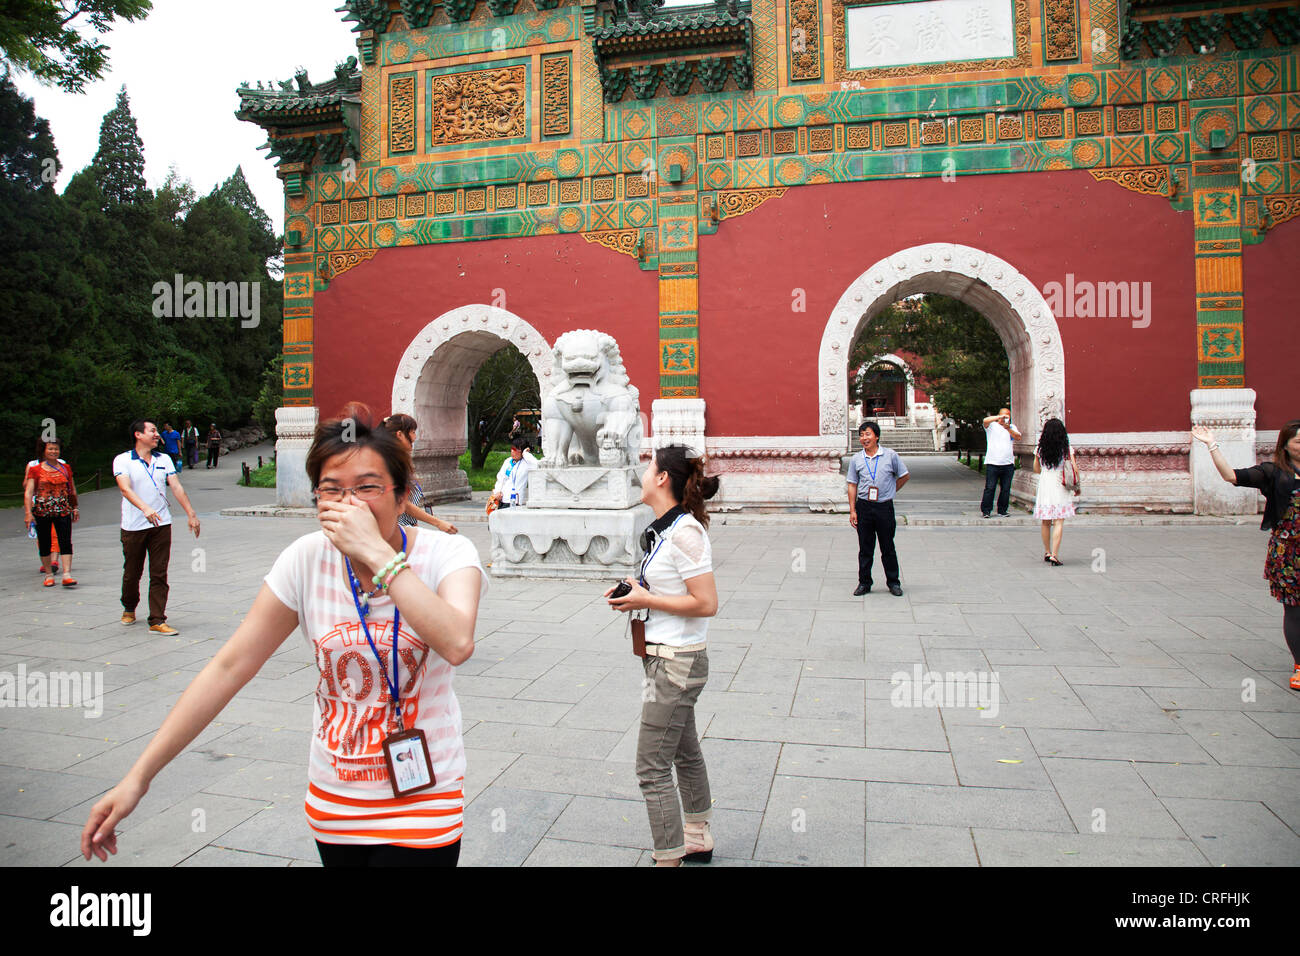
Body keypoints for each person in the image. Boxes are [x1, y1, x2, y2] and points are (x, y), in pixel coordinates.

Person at [80, 404, 487, 867]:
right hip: (336, 802)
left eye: (368, 488)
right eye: (331, 490)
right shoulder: (306, 559)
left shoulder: (448, 553)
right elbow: (230, 667)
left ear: (401, 498)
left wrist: (378, 555)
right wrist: (139, 776)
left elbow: (456, 642)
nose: (348, 504)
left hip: (424, 800)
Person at [606, 444, 719, 866]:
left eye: (648, 466)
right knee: (684, 750)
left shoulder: (686, 531)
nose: (642, 471)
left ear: (662, 478)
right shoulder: (667, 528)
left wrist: (644, 599)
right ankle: (696, 835)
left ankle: (668, 857)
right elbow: (669, 589)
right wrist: (634, 593)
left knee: (650, 766)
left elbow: (706, 602)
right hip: (665, 656)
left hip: (676, 662)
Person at [1193, 420, 1300, 691]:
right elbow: (1231, 476)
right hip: (1289, 553)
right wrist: (1212, 445)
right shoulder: (1274, 472)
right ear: (1286, 446)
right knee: (1295, 609)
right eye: (1299, 441)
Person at [114, 420, 202, 634]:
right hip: (134, 526)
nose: (157, 434)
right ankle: (129, 606)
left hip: (161, 524)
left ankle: (157, 619)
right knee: (132, 572)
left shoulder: (164, 460)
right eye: (152, 431)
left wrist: (191, 514)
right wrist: (145, 508)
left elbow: (177, 487)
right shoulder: (123, 460)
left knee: (159, 572)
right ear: (138, 434)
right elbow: (125, 489)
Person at [847, 421, 909, 596]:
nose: (864, 438)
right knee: (865, 548)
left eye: (867, 434)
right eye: (861, 435)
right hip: (864, 507)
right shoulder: (857, 459)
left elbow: (904, 476)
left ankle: (893, 582)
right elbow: (852, 484)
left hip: (884, 507)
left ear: (877, 436)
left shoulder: (890, 456)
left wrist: (891, 490)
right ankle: (864, 583)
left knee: (887, 547)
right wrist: (853, 510)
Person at [382, 413, 458, 534]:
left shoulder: (399, 461)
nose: (415, 437)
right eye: (412, 432)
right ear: (399, 435)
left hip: (404, 529)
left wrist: (414, 524)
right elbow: (403, 503)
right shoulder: (391, 464)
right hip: (394, 531)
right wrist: (438, 522)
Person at [24, 438, 78, 587]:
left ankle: (67, 574)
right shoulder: (35, 470)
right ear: (43, 451)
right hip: (42, 511)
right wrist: (28, 513)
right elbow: (28, 492)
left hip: (63, 510)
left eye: (56, 449)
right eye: (50, 449)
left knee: (65, 541)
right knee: (45, 543)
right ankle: (49, 574)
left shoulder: (65, 468)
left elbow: (72, 489)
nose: (54, 451)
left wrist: (75, 507)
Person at [1032, 417, 1079, 565]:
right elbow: (1074, 468)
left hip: (1045, 485)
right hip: (1060, 486)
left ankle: (1046, 552)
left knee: (1046, 522)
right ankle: (1054, 554)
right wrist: (1077, 486)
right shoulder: (1066, 448)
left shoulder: (1040, 448)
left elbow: (1036, 469)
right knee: (1059, 521)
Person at [981, 407, 1022, 517]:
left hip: (1008, 463)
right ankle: (986, 510)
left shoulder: (1012, 427)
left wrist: (1008, 428)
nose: (1005, 418)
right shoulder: (992, 426)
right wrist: (999, 418)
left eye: (1007, 416)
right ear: (998, 415)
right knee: (990, 487)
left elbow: (1018, 437)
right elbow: (985, 420)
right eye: (1003, 416)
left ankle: (1002, 510)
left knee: (1006, 489)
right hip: (993, 462)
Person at [490, 435, 538, 510]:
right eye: (512, 449)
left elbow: (537, 465)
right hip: (502, 499)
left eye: (515, 449)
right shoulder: (508, 461)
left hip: (515, 501)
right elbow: (501, 478)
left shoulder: (526, 463)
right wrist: (497, 491)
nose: (512, 452)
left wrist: (526, 454)